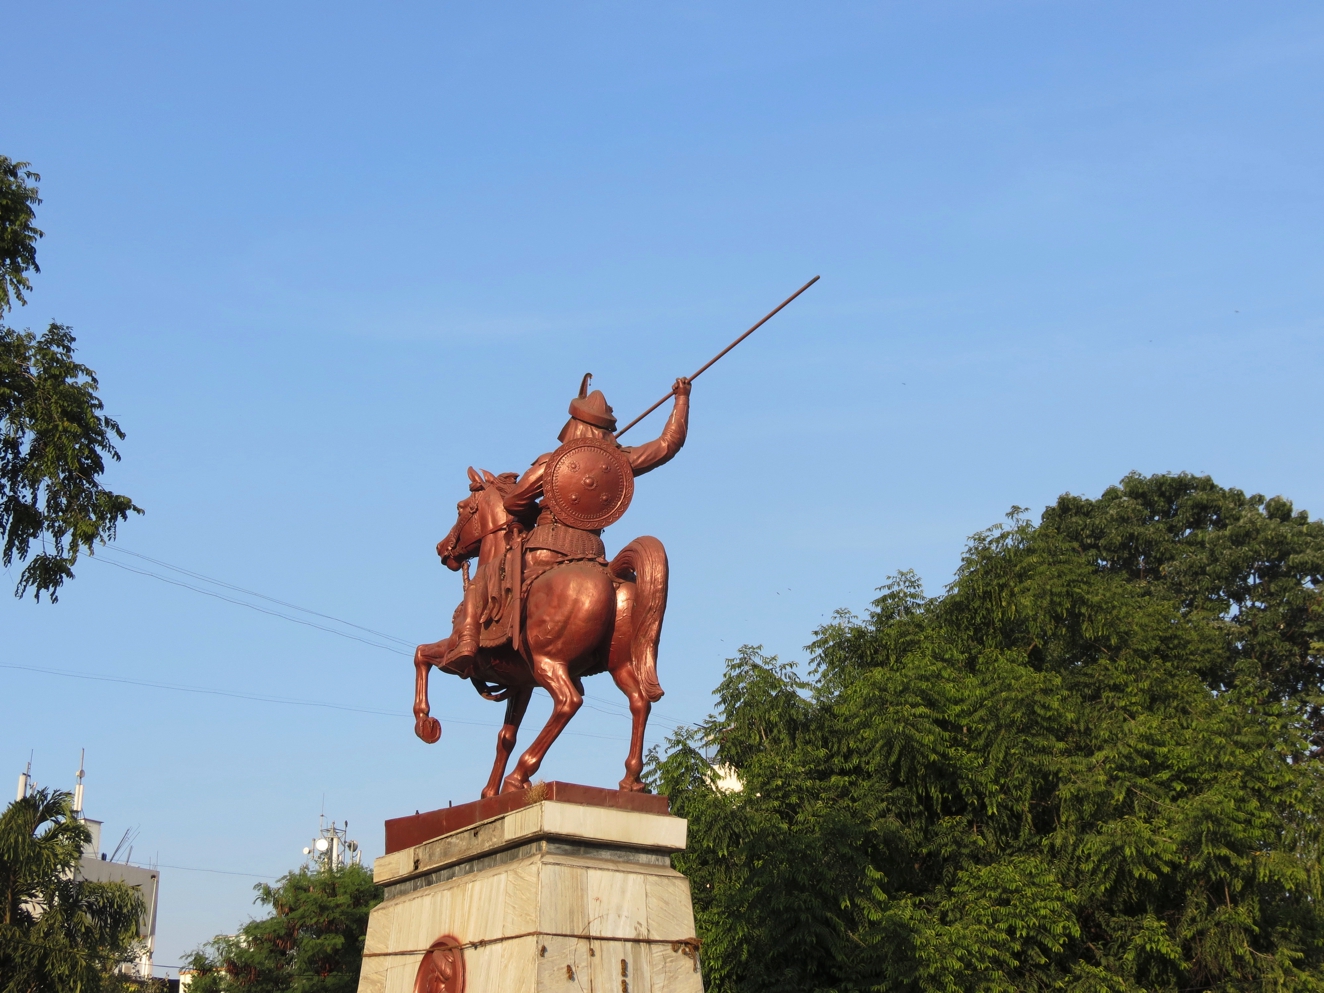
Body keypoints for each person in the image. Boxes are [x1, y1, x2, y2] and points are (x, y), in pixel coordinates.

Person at [444, 374, 691, 671]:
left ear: (573, 426)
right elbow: (667, 444)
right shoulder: (619, 460)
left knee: (484, 576)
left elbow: (514, 501)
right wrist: (681, 399)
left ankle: (468, 641)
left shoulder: (552, 463)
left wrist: (535, 510)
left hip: (545, 548)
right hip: (593, 554)